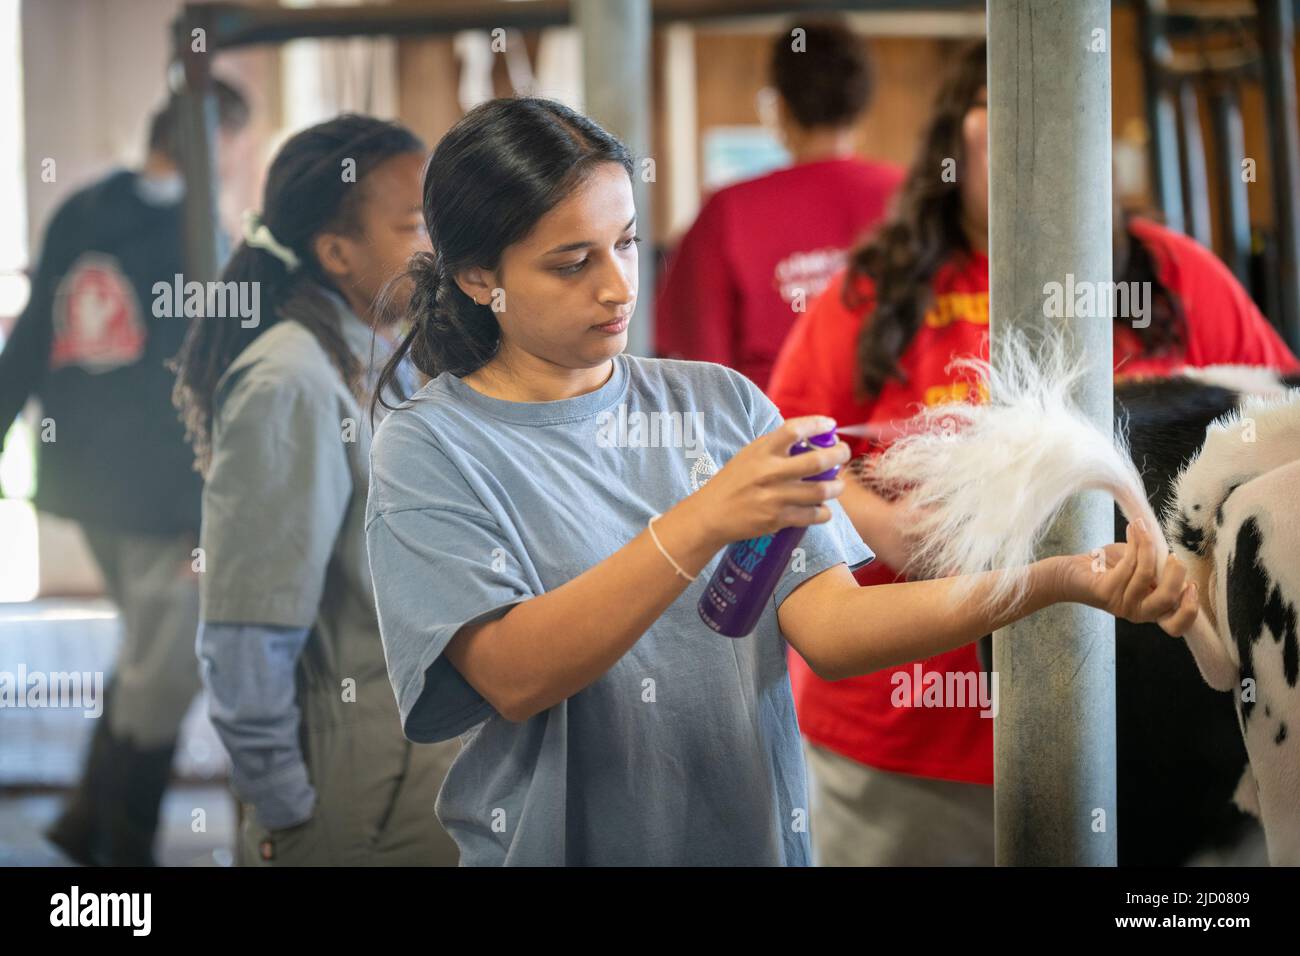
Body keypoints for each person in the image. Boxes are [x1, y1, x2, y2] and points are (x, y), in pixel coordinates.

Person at [362, 95, 1198, 867]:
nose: (618, 286)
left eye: (623, 242)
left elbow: (833, 629)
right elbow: (512, 675)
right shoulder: (432, 448)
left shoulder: (721, 402)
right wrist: (702, 522)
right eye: (572, 262)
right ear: (479, 278)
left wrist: (1055, 581)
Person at [766, 40, 1300, 867]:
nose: (1032, 130)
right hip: (910, 737)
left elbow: (1283, 432)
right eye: (997, 103)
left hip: (1151, 738)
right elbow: (786, 451)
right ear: (955, 133)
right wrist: (876, 520)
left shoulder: (1174, 276)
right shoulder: (871, 293)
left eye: (1061, 108)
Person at [171, 115, 460, 866]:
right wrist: (284, 807)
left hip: (409, 759)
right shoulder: (291, 381)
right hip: (353, 784)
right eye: (415, 225)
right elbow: (246, 629)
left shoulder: (376, 353)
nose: (438, 245)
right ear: (336, 252)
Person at [0, 80, 251, 866]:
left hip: (83, 484)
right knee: (167, 671)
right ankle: (120, 852)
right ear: (217, 142)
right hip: (161, 495)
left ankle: (83, 820)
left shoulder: (80, 208)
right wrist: (210, 507)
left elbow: (31, 338)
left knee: (146, 651)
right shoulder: (195, 234)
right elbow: (203, 385)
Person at [654, 17, 903, 390]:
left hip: (774, 437)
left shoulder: (730, 211)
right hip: (904, 436)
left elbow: (694, 368)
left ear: (781, 106)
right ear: (860, 104)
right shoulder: (911, 196)